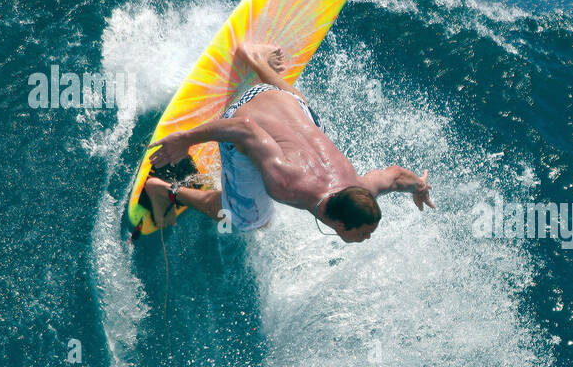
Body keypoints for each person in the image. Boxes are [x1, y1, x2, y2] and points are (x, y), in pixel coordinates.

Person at [143, 42, 433, 242]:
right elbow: (245, 129)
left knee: (314, 127)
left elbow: (394, 176)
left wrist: (418, 187)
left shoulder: (362, 189)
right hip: (241, 116)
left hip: (282, 99)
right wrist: (186, 140)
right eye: (364, 233)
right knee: (248, 219)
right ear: (341, 225)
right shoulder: (288, 184)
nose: (368, 237)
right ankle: (165, 191)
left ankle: (258, 62)